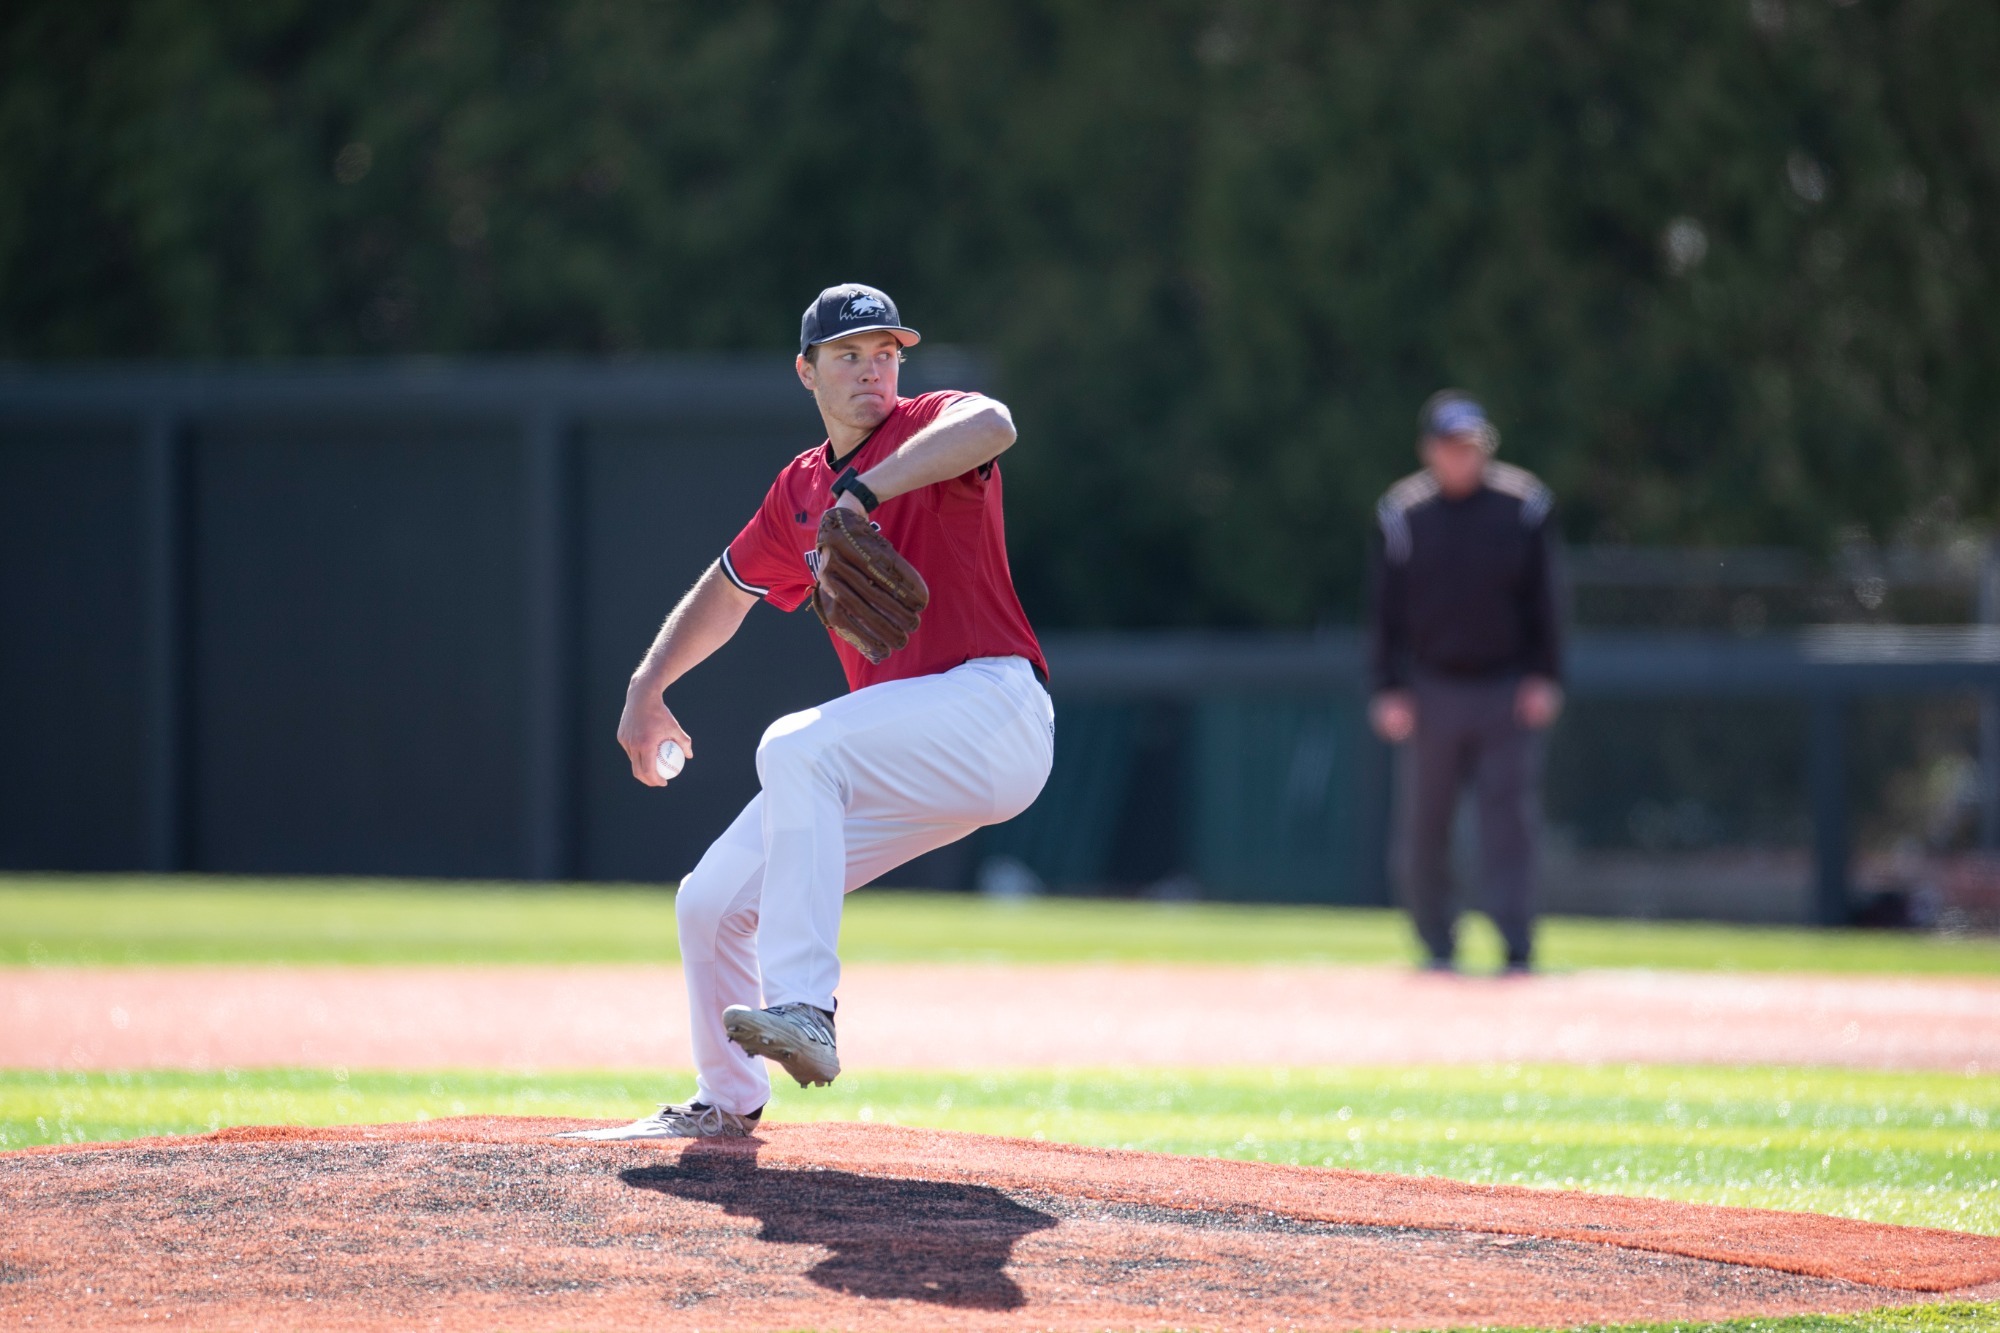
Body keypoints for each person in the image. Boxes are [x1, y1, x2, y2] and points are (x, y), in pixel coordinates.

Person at [564, 283, 1053, 1140]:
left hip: (995, 711)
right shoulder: (798, 490)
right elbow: (727, 591)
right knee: (710, 902)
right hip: (909, 752)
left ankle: (805, 1010)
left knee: (795, 745)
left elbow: (997, 424)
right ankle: (727, 1101)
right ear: (806, 371)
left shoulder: (931, 425)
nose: (874, 371)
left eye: (887, 354)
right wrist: (648, 688)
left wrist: (865, 492)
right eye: (849, 356)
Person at [1368, 391, 1563, 975]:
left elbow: (1548, 602)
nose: (1463, 458)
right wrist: (1387, 686)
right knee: (1425, 825)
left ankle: (1516, 944)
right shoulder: (1404, 515)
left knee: (1509, 824)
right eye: (1451, 447)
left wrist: (1544, 675)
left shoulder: (1522, 505)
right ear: (1430, 451)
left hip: (1505, 687)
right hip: (1433, 689)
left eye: (1472, 447)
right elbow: (1383, 612)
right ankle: (1437, 943)